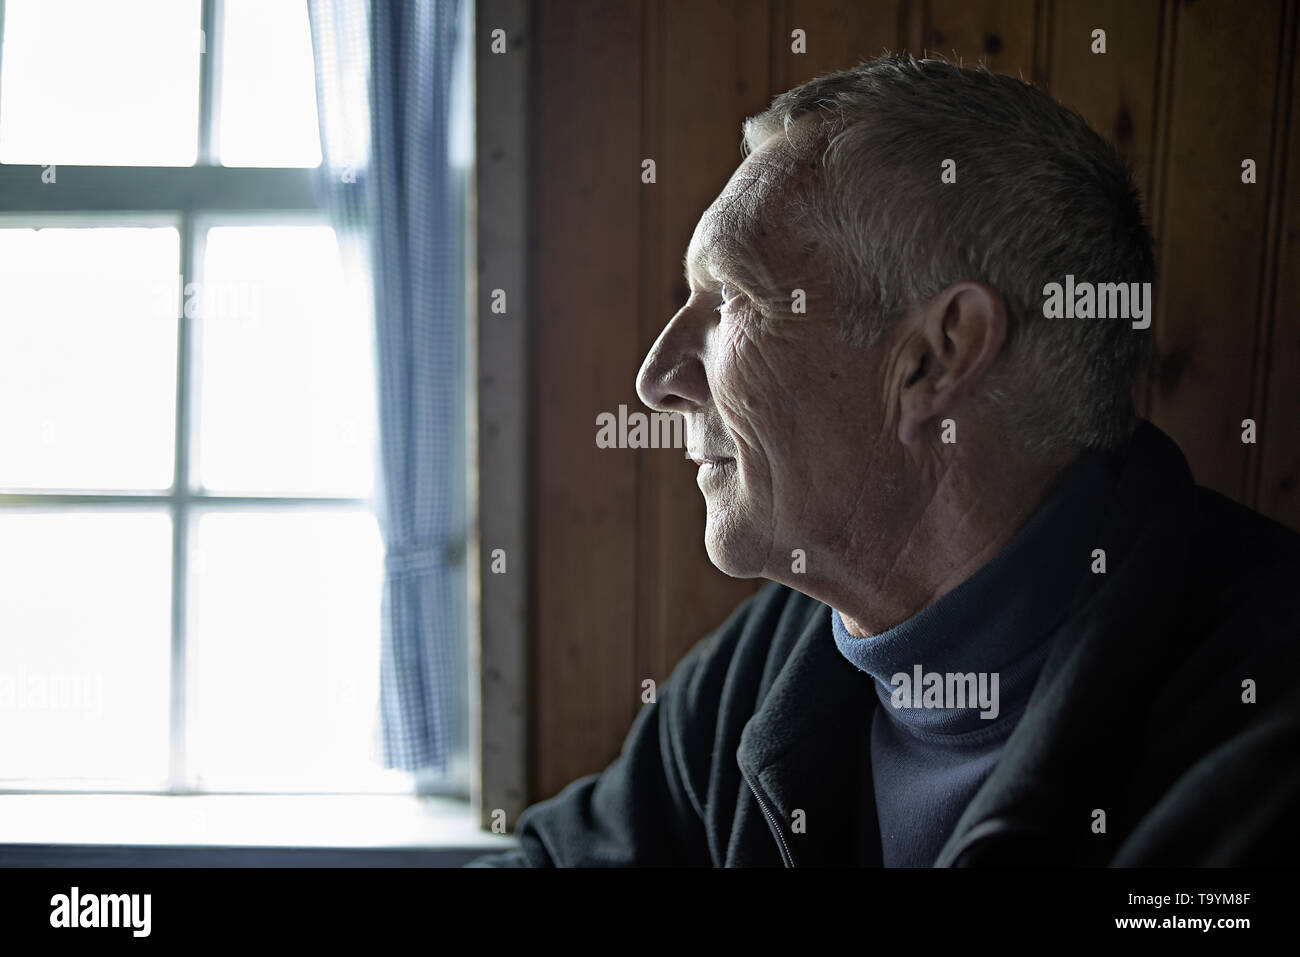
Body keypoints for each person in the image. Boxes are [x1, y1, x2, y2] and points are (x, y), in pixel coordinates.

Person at [467, 54, 1300, 867]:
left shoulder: (1258, 724)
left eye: (732, 300)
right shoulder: (780, 649)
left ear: (940, 355)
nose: (657, 378)